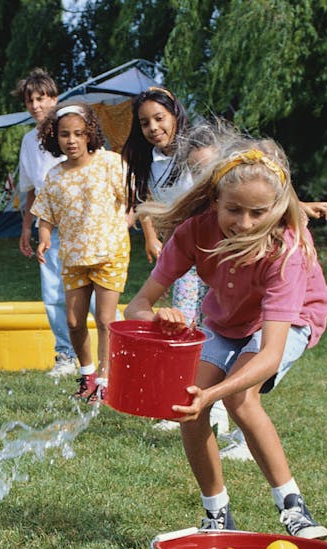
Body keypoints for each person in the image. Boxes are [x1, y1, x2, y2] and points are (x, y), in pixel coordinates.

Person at [123, 136, 327, 539]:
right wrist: (160, 319)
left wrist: (213, 395)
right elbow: (137, 307)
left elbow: (269, 354)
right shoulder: (193, 232)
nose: (245, 223)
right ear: (215, 200)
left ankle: (292, 508)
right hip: (226, 322)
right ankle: (216, 515)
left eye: (259, 212)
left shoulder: (286, 252)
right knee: (188, 402)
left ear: (277, 207)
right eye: (234, 210)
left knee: (240, 397)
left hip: (292, 320)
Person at [122, 88, 231, 435]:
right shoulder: (148, 161)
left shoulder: (196, 151)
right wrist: (152, 236)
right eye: (144, 123)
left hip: (217, 253)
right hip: (183, 254)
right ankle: (180, 402)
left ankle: (218, 409)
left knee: (219, 328)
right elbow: (147, 201)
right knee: (184, 326)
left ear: (174, 115)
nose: (153, 127)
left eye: (159, 118)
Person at [32, 103, 130, 403]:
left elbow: (133, 199)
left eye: (78, 134)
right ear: (55, 137)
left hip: (109, 253)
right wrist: (44, 238)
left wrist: (131, 223)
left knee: (104, 318)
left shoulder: (110, 163)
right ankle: (87, 375)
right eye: (64, 135)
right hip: (74, 257)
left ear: (90, 135)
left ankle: (105, 379)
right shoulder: (55, 176)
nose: (71, 140)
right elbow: (46, 214)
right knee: (74, 322)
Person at [13, 68, 75, 378]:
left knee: (92, 293)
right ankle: (65, 355)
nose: (36, 105)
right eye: (30, 100)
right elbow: (31, 189)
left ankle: (110, 350)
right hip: (48, 227)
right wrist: (27, 226)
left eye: (42, 98)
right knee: (53, 292)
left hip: (82, 227)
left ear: (55, 99)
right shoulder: (28, 142)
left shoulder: (72, 132)